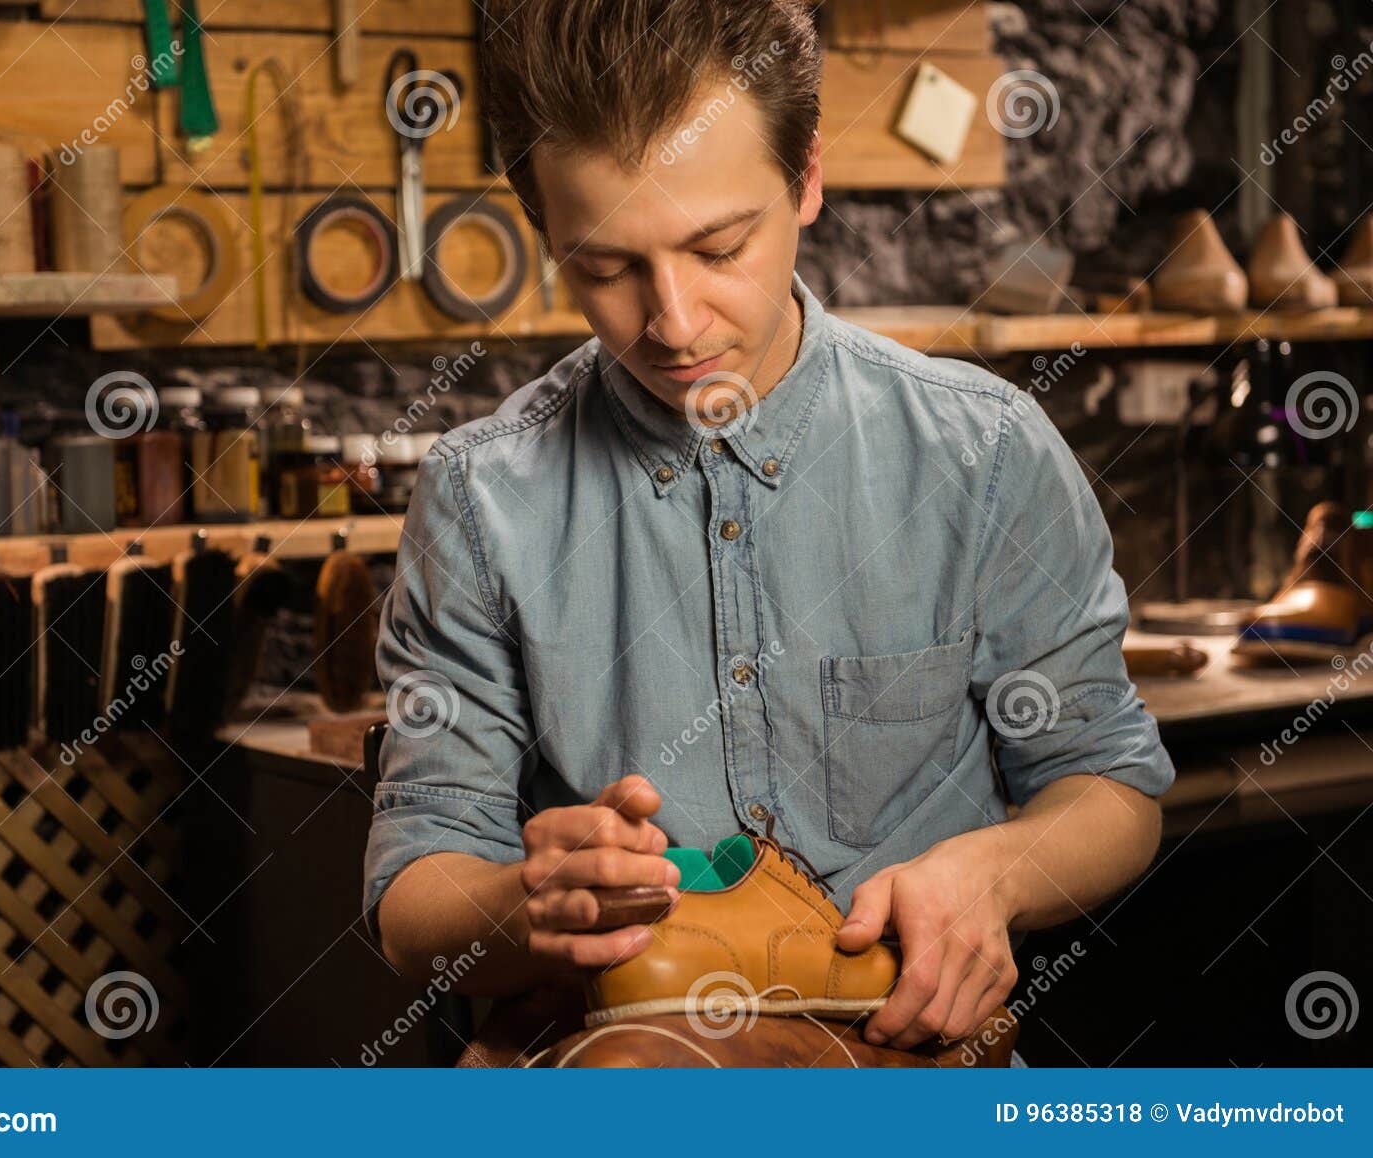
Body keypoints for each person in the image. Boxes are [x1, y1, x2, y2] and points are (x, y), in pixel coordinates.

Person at [364, 0, 1173, 1051]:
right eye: (605, 268)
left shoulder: (982, 453)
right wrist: (526, 907)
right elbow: (412, 892)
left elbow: (1110, 783)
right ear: (544, 231)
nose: (674, 322)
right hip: (620, 1056)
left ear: (806, 181)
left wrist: (989, 874)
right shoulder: (480, 501)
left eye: (718, 248)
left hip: (909, 1057)